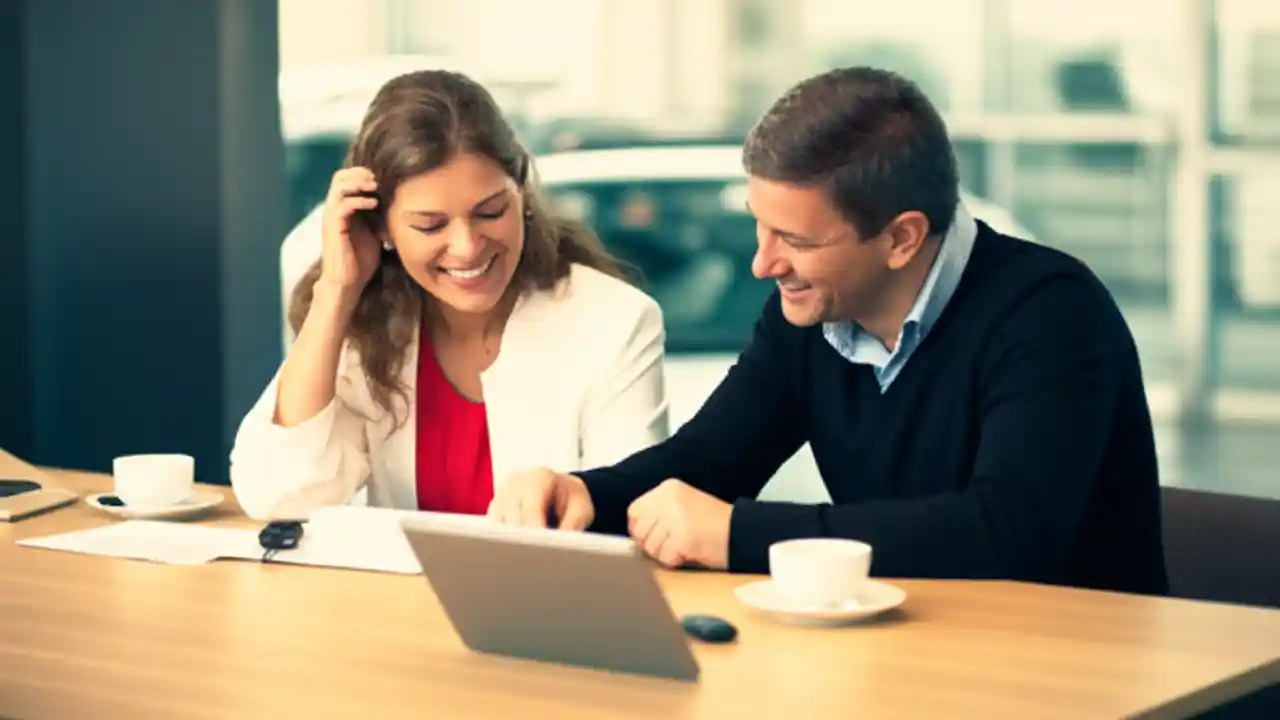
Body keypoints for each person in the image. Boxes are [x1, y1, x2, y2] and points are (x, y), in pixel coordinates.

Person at [488, 67, 1169, 595]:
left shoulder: (1052, 314)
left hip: (1077, 669)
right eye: (759, 225)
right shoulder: (813, 314)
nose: (762, 262)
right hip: (914, 656)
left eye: (794, 239)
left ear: (901, 238)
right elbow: (707, 464)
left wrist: (739, 534)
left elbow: (1004, 535)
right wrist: (584, 493)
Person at [230, 70, 668, 521]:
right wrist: (338, 292)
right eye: (430, 225)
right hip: (404, 593)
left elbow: (633, 516)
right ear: (381, 227)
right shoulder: (371, 320)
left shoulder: (616, 321)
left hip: (552, 593)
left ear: (522, 193)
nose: (467, 246)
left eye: (490, 212)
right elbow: (279, 494)